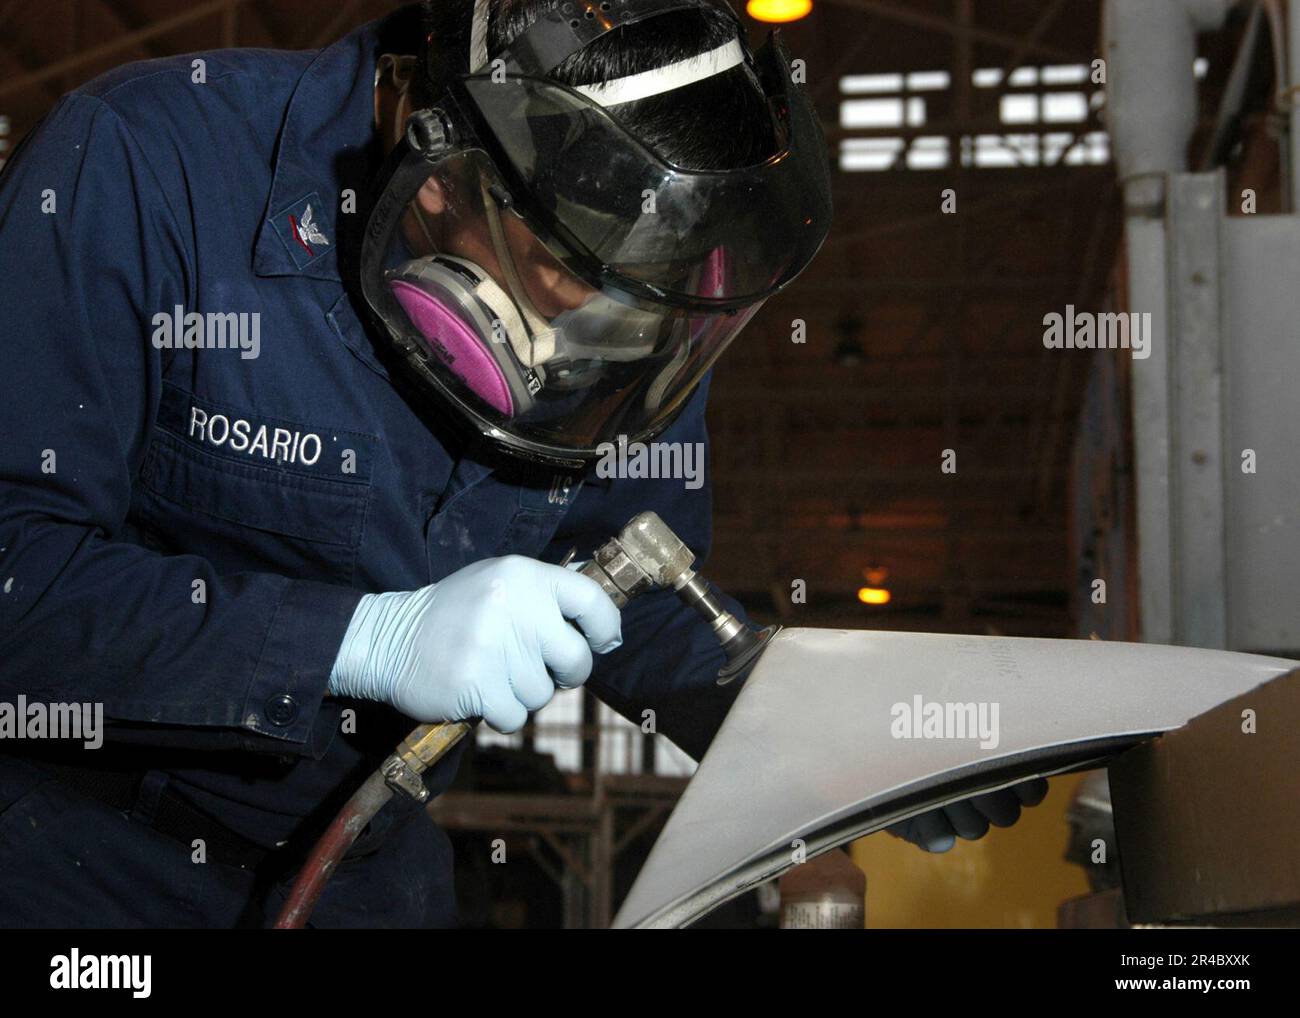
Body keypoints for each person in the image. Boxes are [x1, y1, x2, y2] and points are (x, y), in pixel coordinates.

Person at [0, 0, 1041, 928]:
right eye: (561, 270)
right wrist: (354, 640)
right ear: (442, 162)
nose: (591, 335)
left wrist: (836, 733)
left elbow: (629, 591)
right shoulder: (149, 164)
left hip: (365, 878)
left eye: (639, 309)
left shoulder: (639, 302)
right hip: (72, 865)